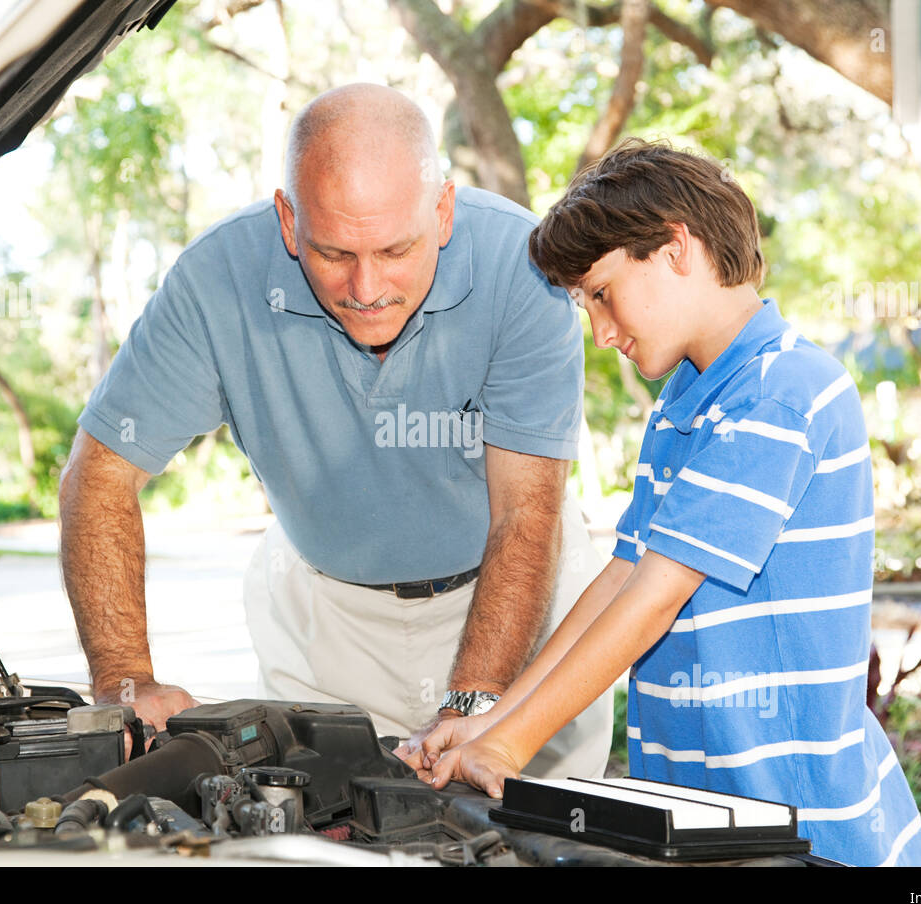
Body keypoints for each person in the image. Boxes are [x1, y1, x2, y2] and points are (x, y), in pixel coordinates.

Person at [57, 83, 612, 778]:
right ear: (289, 222)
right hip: (326, 621)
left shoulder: (521, 267)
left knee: (535, 841)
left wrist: (475, 703)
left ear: (442, 212)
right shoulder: (215, 282)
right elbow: (100, 473)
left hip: (517, 608)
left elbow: (527, 515)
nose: (366, 286)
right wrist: (125, 682)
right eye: (333, 254)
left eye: (394, 250)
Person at [405, 139, 921, 867]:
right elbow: (624, 575)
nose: (602, 331)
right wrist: (497, 717)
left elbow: (656, 595)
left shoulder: (781, 393)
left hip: (801, 826)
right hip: (696, 813)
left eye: (602, 293)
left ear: (676, 249)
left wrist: (513, 744)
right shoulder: (684, 402)